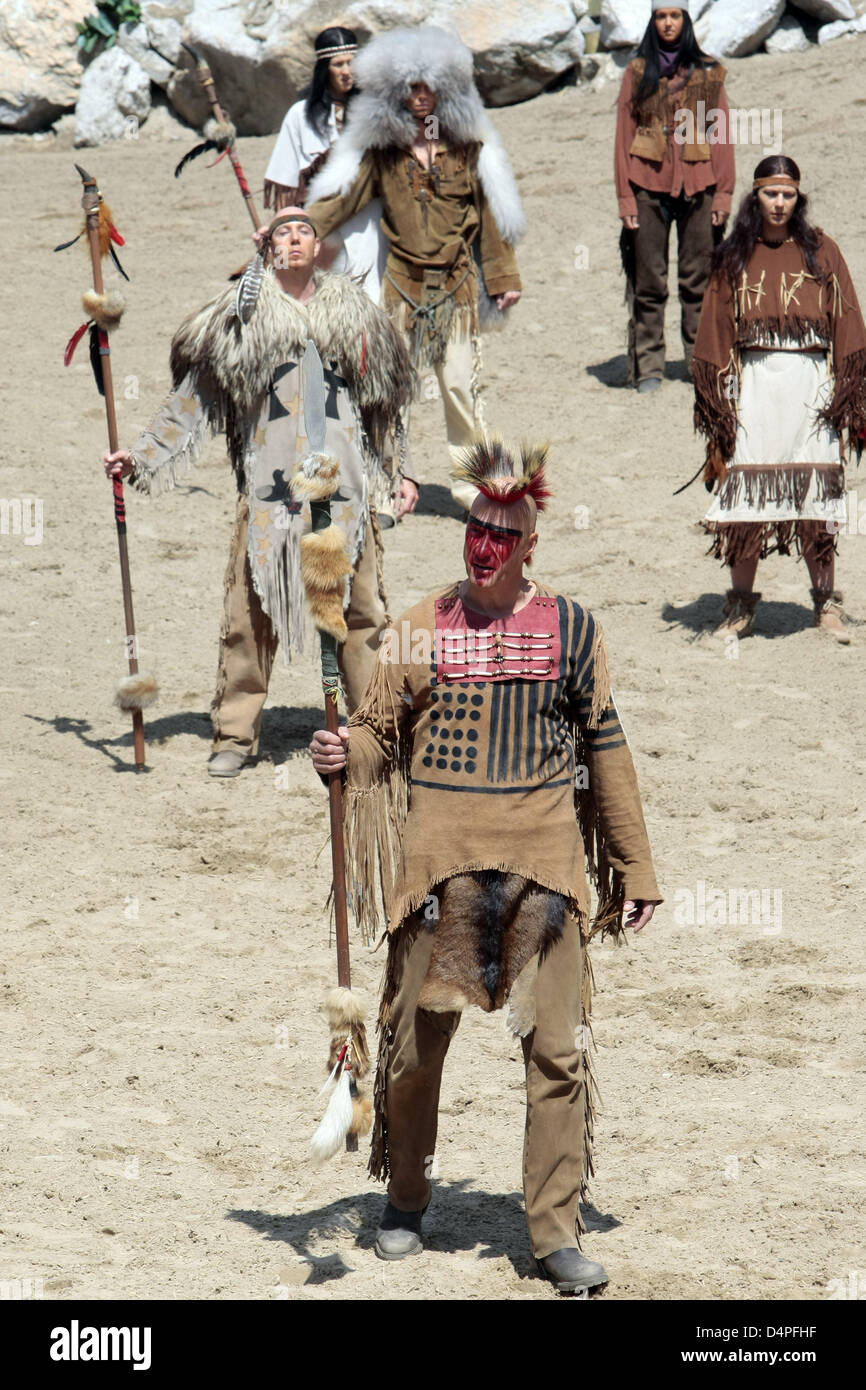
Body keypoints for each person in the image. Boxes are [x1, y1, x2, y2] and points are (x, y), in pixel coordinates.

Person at [310, 439, 661, 1293]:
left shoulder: (575, 630)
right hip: (441, 874)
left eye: (502, 534)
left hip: (544, 874)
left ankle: (552, 1234)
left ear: (529, 543)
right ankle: (405, 1196)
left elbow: (606, 748)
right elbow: (377, 735)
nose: (483, 545)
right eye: (475, 527)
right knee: (410, 1052)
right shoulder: (418, 628)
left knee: (558, 1053)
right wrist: (339, 752)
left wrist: (634, 865)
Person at [105, 209, 415, 776]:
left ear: (318, 246)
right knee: (248, 617)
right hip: (272, 490)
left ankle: (373, 730)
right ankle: (235, 735)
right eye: (281, 232)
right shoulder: (240, 316)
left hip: (345, 491)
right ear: (267, 246)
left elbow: (387, 405)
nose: (293, 240)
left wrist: (403, 474)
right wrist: (143, 455)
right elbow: (193, 397)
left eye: (303, 232)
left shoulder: (356, 314)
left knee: (362, 611)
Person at [304, 26, 524, 513]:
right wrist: (299, 228)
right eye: (411, 88)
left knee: (461, 388)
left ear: (444, 89)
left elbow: (489, 219)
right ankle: (385, 488)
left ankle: (476, 491)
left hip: (458, 288)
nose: (420, 98)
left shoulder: (468, 150)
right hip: (401, 288)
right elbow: (342, 201)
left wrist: (503, 279)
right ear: (396, 91)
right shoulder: (384, 154)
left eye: (428, 88)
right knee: (390, 392)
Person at [692, 155, 866, 643]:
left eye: (788, 194)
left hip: (812, 387)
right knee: (745, 497)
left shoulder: (821, 250)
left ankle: (826, 606)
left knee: (817, 500)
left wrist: (851, 398)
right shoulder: (734, 256)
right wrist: (719, 406)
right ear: (756, 195)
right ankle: (740, 609)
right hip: (756, 387)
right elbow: (716, 331)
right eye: (771, 193)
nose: (779, 203)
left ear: (798, 197)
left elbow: (848, 321)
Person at [615, 2, 735, 392]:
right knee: (649, 282)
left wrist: (723, 195)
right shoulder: (636, 72)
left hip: (699, 187)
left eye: (675, 16)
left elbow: (721, 137)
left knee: (697, 281)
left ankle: (699, 364)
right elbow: (622, 138)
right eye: (660, 16)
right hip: (647, 188)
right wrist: (625, 200)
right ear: (653, 22)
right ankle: (649, 366)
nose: (668, 23)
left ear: (686, 21)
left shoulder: (708, 72)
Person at [263, 26, 386, 303]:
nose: (347, 71)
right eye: (338, 64)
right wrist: (282, 253)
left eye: (352, 63)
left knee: (372, 301)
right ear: (324, 69)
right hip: (320, 231)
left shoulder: (378, 112)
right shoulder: (299, 117)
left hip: (371, 225)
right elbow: (286, 193)